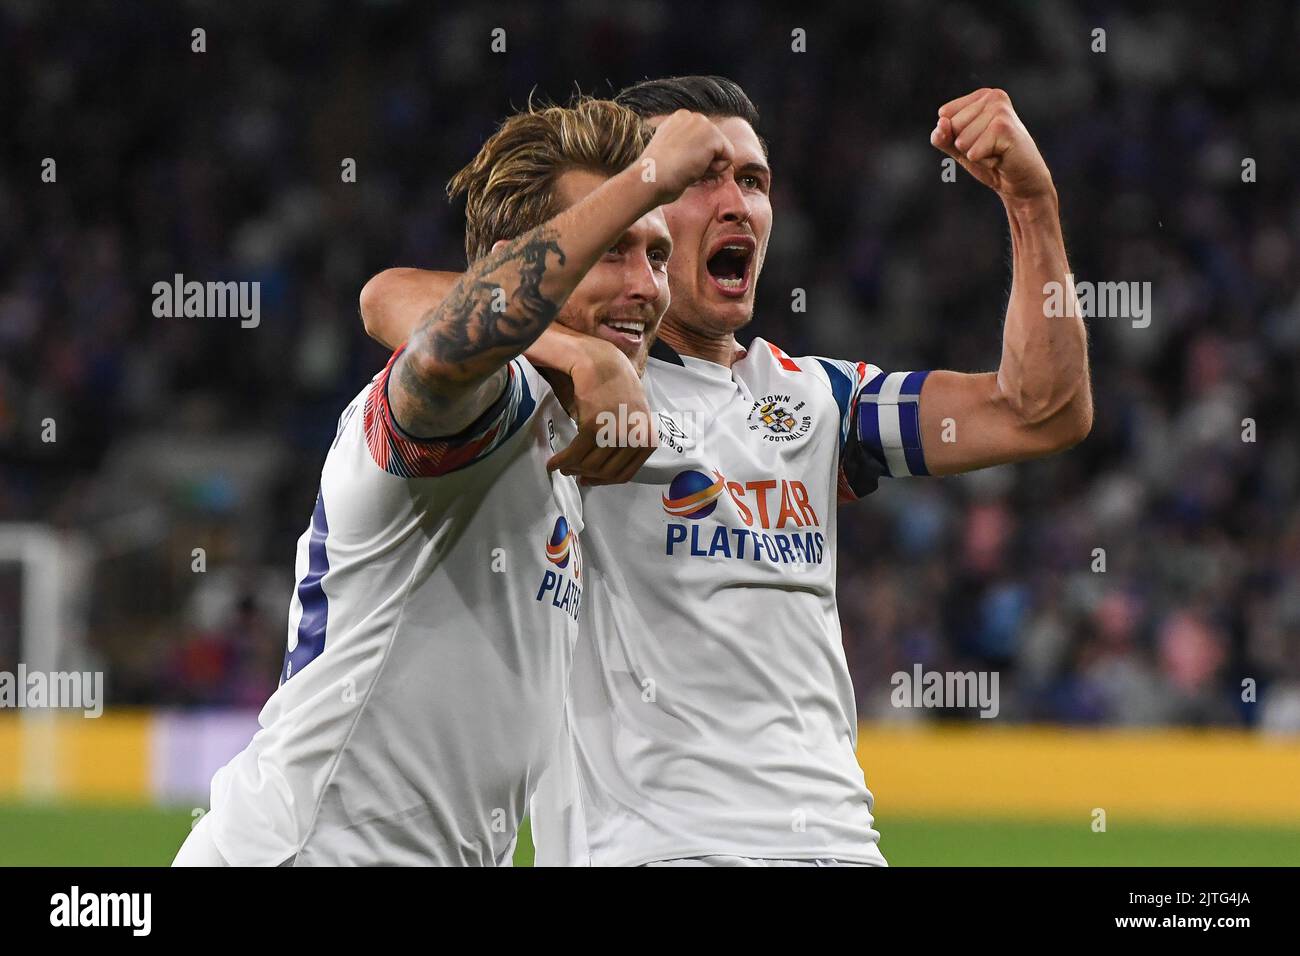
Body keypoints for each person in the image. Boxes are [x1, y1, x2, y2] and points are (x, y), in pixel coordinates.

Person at [359, 77, 1092, 866]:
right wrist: (582, 355)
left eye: (752, 179)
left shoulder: (818, 400)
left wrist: (1031, 203)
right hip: (661, 850)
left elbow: (1039, 411)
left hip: (843, 845)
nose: (736, 202)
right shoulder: (550, 388)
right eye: (699, 176)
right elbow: (395, 299)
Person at [173, 97, 732, 865]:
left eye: (658, 255)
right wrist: (647, 179)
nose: (645, 286)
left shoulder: (571, 439)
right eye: (612, 247)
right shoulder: (481, 407)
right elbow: (435, 343)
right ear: (512, 261)